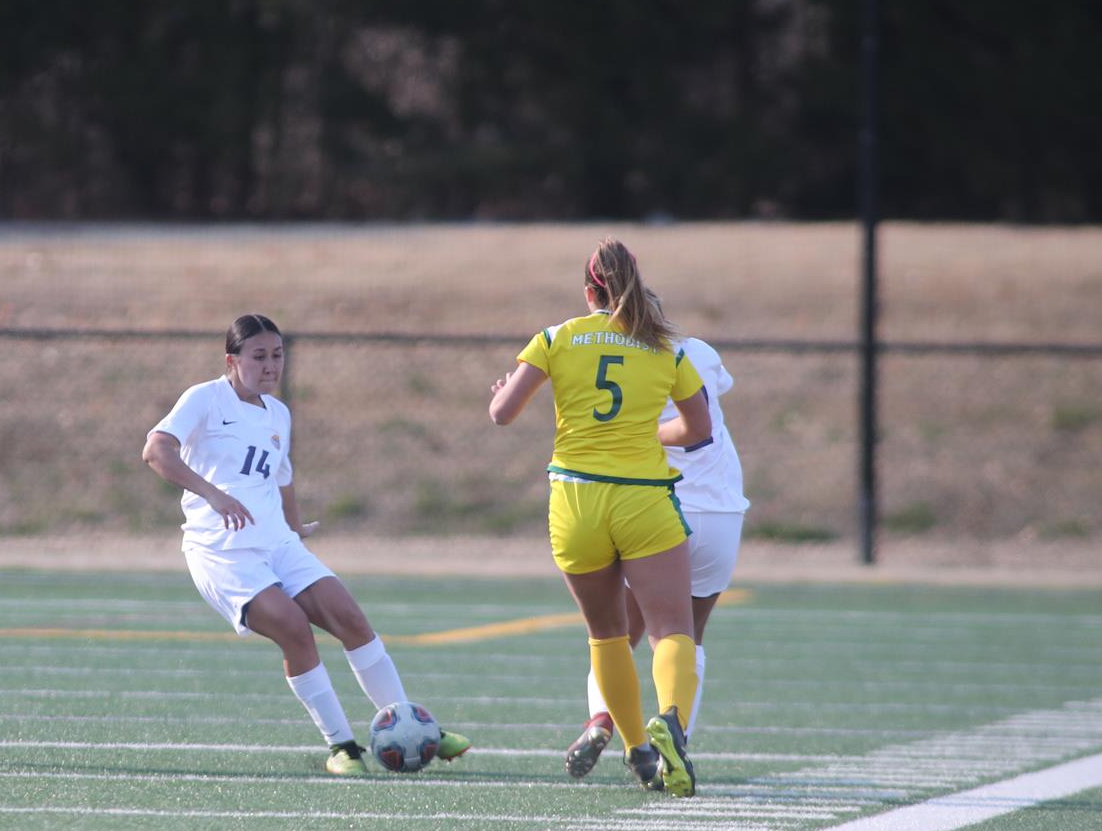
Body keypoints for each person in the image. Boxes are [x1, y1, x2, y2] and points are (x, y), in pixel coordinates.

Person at [142, 314, 471, 776]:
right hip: (223, 553)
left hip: (277, 543)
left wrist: (295, 528)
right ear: (231, 361)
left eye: (277, 355)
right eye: (259, 357)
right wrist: (215, 495)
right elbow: (156, 451)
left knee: (351, 620)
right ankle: (342, 748)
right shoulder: (204, 399)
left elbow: (283, 479)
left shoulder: (279, 413)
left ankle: (417, 729)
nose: (271, 365)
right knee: (295, 629)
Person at [488, 239, 710, 797]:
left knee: (606, 635)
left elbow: (502, 414)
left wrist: (502, 393)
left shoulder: (556, 337)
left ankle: (638, 751)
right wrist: (648, 434)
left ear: (589, 291)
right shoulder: (665, 348)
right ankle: (674, 723)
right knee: (671, 630)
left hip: (576, 500)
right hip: (643, 499)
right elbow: (699, 430)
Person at [568, 333, 747, 778]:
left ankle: (602, 718)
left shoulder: (608, 352)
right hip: (722, 509)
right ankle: (675, 733)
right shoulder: (700, 351)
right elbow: (710, 399)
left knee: (617, 635)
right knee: (689, 637)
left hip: (656, 505)